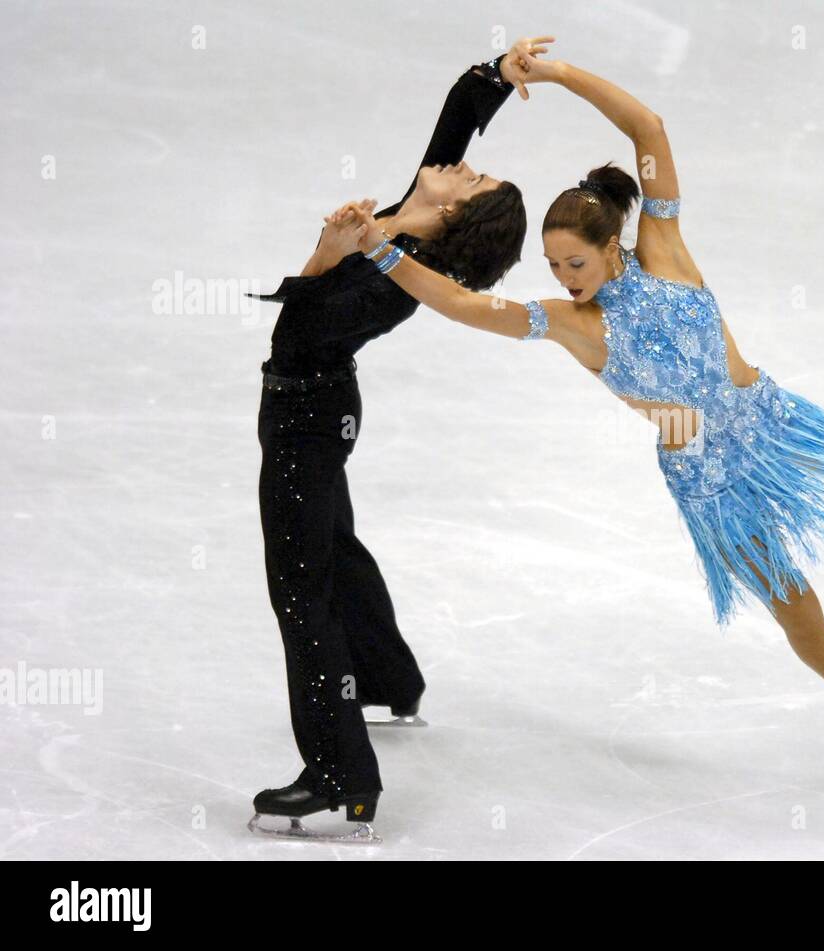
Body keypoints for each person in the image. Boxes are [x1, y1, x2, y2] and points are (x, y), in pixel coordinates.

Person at [344, 50, 824, 788]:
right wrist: (380, 248)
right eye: (552, 268)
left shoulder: (665, 248)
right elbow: (463, 305)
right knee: (794, 606)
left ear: (609, 245)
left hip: (768, 423)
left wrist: (554, 76)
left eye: (572, 264)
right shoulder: (569, 324)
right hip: (707, 476)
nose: (563, 280)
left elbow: (648, 130)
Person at [246, 37, 549, 841]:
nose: (455, 166)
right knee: (333, 549)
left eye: (469, 177)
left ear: (454, 213)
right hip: (316, 409)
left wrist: (329, 249)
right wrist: (498, 74)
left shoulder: (398, 272)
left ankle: (342, 778)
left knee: (300, 591)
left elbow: (300, 322)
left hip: (307, 422)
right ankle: (388, 677)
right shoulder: (422, 210)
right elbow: (457, 120)